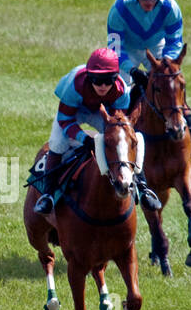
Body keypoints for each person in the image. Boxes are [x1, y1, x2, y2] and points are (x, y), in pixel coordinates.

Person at [32, 48, 159, 215]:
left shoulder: (121, 90)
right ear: (89, 76)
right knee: (57, 143)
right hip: (74, 112)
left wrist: (116, 134)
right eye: (97, 80)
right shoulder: (74, 86)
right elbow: (65, 120)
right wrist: (83, 138)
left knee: (125, 139)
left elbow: (119, 123)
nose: (103, 86)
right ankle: (48, 195)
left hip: (102, 111)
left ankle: (142, 188)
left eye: (108, 80)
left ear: (116, 78)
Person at [107, 0, 191, 159]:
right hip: (129, 49)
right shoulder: (120, 8)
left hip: (157, 47)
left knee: (171, 84)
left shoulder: (170, 8)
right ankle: (115, 133)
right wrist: (132, 70)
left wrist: (164, 64)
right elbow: (115, 50)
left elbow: (175, 42)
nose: (149, 1)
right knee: (120, 88)